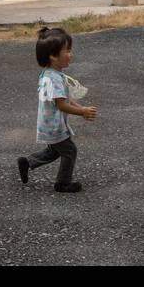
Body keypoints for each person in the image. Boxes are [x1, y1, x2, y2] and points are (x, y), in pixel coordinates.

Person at [17, 27, 97, 193]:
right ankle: (63, 183)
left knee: (53, 152)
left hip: (49, 123)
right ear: (53, 56)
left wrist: (80, 107)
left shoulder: (50, 74)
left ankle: (28, 162)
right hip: (54, 126)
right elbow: (60, 105)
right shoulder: (54, 79)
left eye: (70, 50)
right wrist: (82, 112)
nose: (70, 54)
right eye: (67, 51)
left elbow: (64, 100)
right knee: (70, 151)